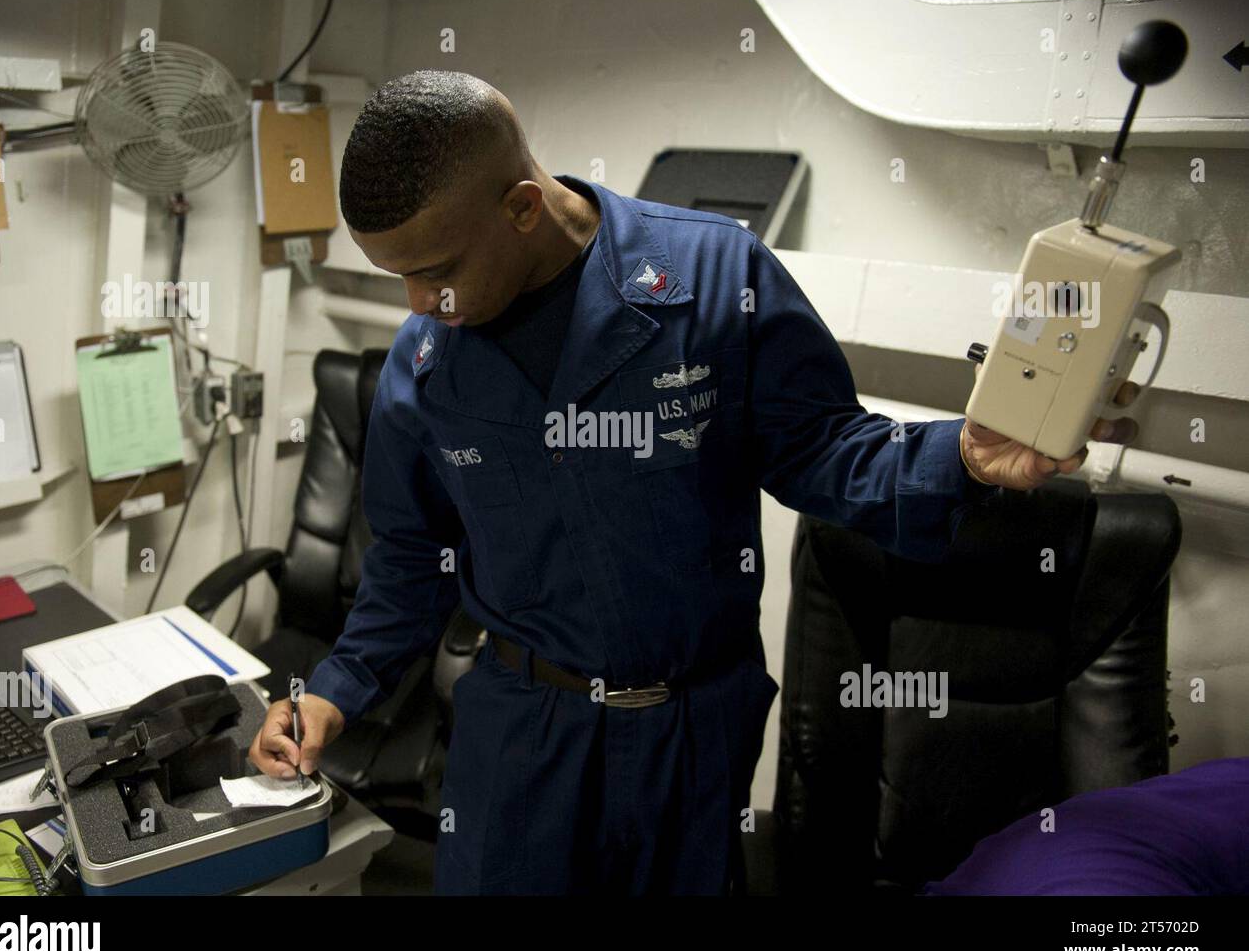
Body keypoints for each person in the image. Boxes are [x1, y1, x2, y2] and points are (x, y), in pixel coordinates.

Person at [249, 70, 1139, 895]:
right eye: (397, 274)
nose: (413, 303)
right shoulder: (429, 361)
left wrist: (966, 457)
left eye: (434, 272)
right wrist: (332, 691)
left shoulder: (713, 282)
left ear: (522, 207)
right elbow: (413, 557)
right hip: (520, 741)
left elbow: (826, 448)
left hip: (690, 738)